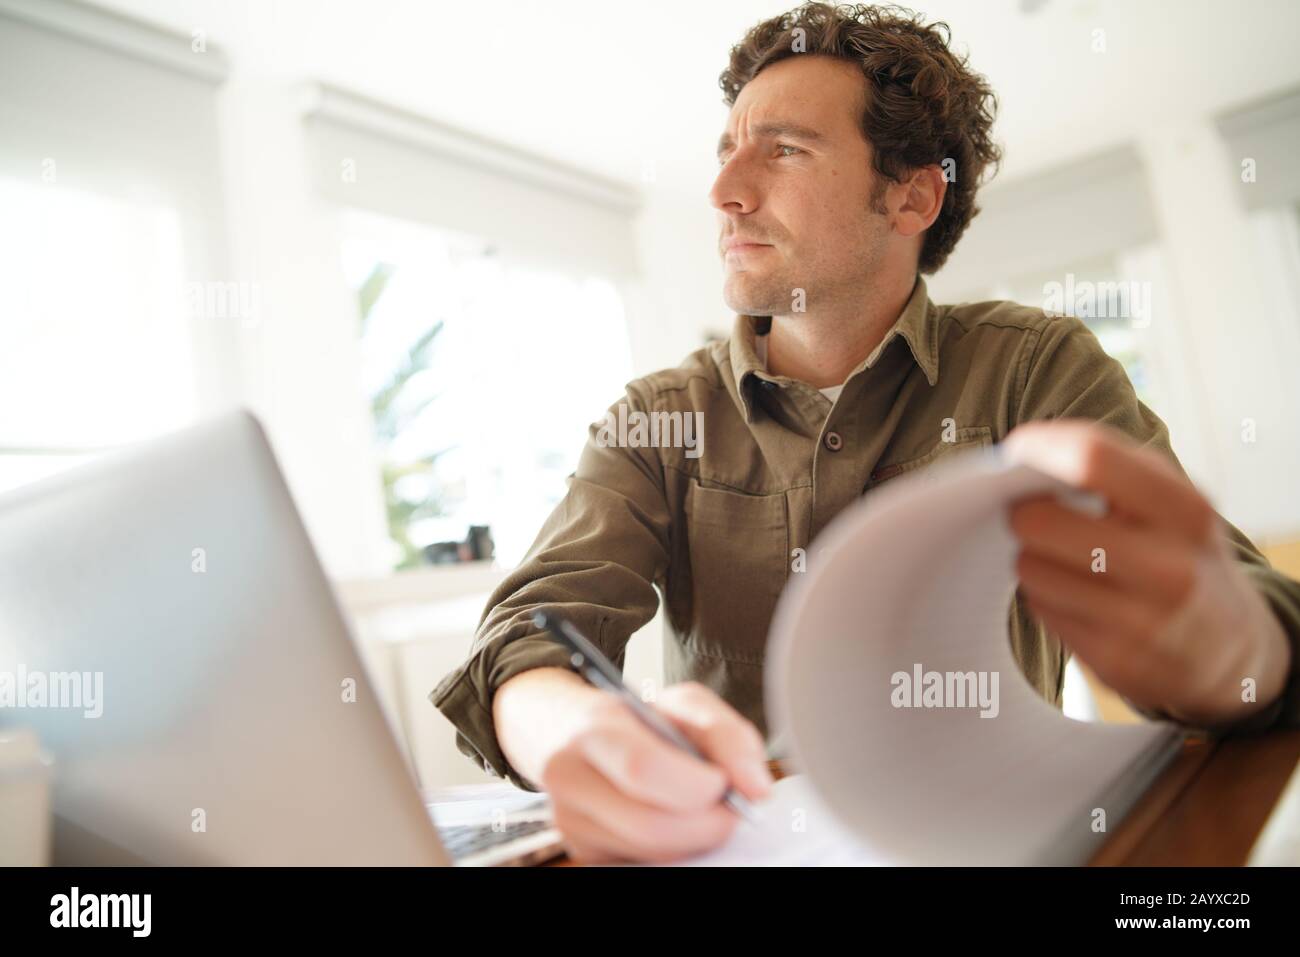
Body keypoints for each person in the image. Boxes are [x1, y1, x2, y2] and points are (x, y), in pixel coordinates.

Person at [431, 2, 1300, 863]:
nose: (725, 191)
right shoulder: (654, 419)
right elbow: (526, 637)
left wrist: (1217, 643)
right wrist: (578, 732)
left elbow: (1257, 618)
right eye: (727, 152)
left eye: (784, 150)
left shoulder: (1035, 366)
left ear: (913, 195)